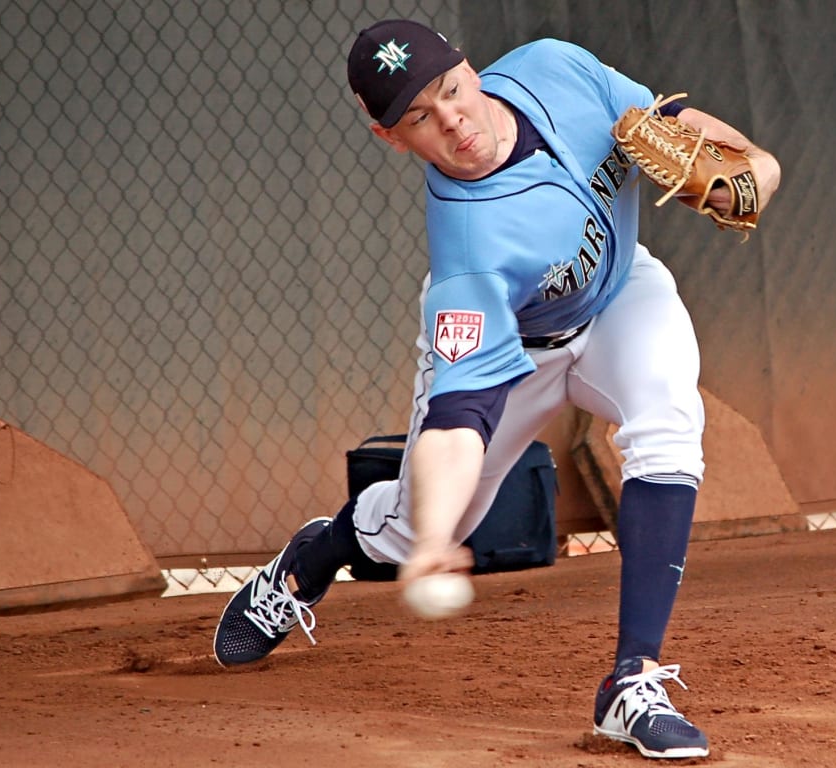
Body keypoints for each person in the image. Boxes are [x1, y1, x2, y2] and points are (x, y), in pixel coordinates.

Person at [211, 18, 781, 761]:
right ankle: (317, 554)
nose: (451, 120)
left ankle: (632, 683)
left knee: (670, 419)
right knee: (421, 527)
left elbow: (665, 122)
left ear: (471, 70)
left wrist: (758, 163)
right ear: (392, 138)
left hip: (618, 297)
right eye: (419, 116)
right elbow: (459, 419)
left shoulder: (556, 66)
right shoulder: (467, 261)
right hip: (519, 351)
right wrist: (438, 535)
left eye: (450, 90)